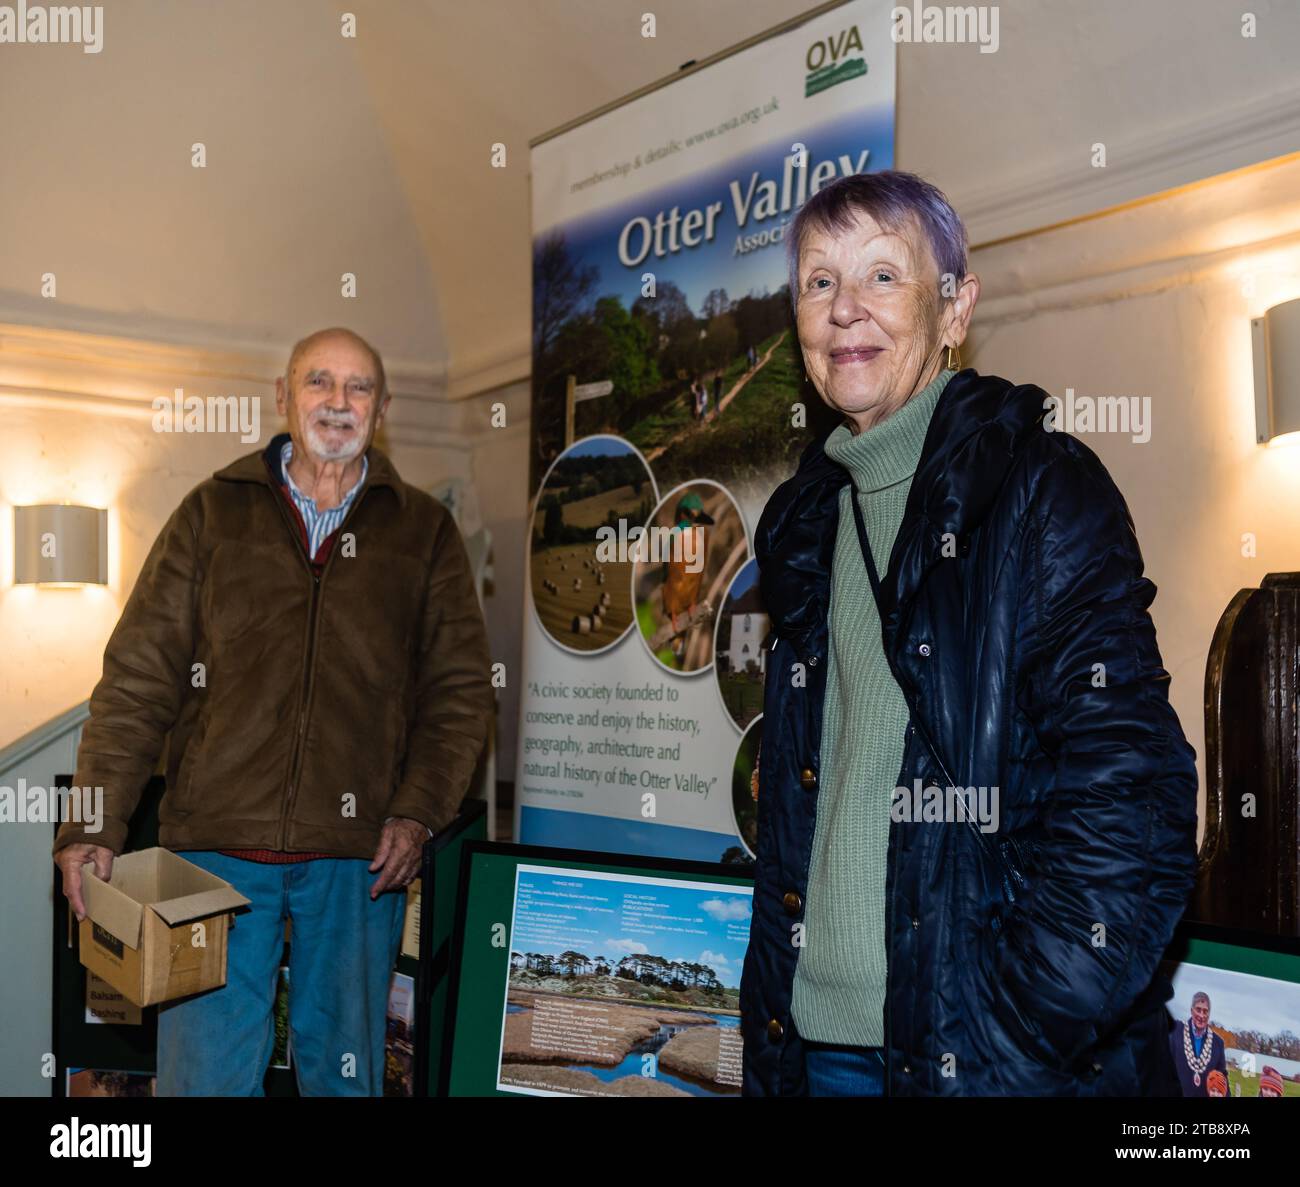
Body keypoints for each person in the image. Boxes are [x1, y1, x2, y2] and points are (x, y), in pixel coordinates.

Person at [739, 170, 1198, 1097]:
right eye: (819, 282)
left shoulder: (1040, 492)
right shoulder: (806, 529)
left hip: (977, 1065)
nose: (843, 311)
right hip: (808, 1055)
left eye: (881, 277)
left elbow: (1133, 799)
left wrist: (1017, 1031)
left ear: (955, 310)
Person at [53, 327, 494, 1096]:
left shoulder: (424, 532)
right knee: (203, 1083)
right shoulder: (210, 516)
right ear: (282, 398)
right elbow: (135, 681)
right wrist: (93, 824)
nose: (337, 401)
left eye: (358, 387)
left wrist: (418, 813)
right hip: (212, 854)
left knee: (344, 1079)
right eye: (318, 382)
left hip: (357, 864)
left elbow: (458, 695)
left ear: (382, 408)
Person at [1170, 990, 1227, 1096]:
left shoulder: (1218, 1043)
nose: (1201, 1015)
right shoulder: (1176, 1031)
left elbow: (1222, 1078)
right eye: (1198, 1010)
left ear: (1209, 1014)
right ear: (1191, 1010)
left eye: (1205, 1011)